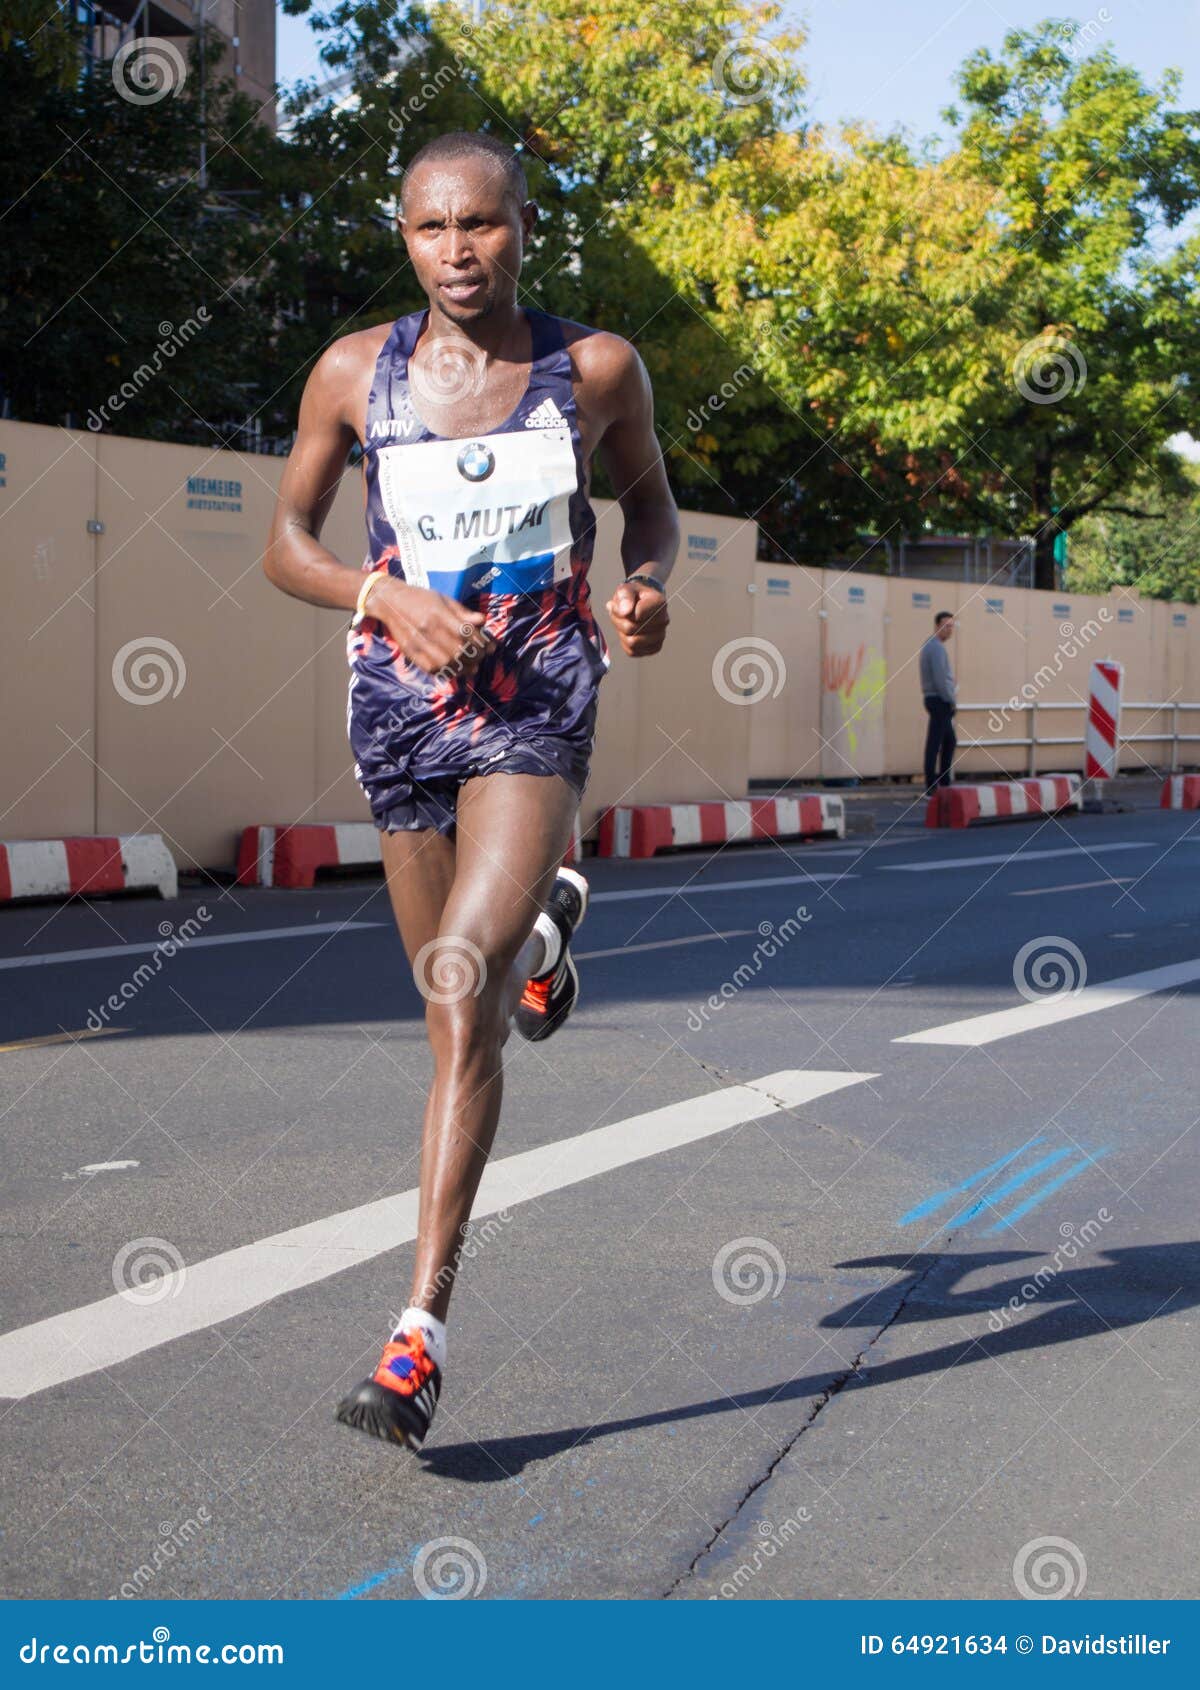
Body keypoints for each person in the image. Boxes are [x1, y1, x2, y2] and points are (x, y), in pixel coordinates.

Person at [264, 130, 678, 1452]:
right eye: (433, 228)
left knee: (459, 973)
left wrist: (649, 585)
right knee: (461, 1023)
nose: (459, 251)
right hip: (398, 704)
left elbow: (652, 508)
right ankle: (551, 918)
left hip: (537, 693)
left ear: (523, 227)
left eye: (482, 226)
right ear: (406, 235)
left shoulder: (595, 368)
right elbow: (285, 540)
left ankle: (419, 1329)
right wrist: (378, 592)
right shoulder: (354, 373)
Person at [919, 610, 957, 792]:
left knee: (948, 740)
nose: (949, 630)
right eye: (946, 626)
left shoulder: (930, 645)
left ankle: (942, 780)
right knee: (936, 742)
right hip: (939, 699)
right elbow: (940, 679)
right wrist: (951, 700)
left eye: (951, 626)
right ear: (936, 626)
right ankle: (934, 784)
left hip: (934, 698)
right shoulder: (936, 648)